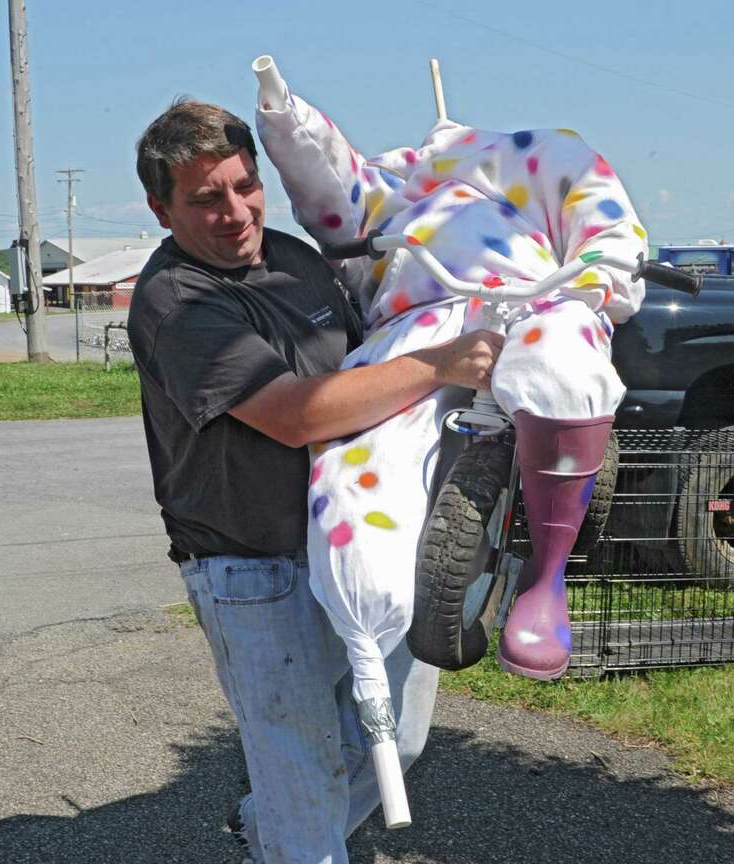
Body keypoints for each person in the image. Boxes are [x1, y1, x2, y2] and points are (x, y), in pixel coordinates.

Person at [128, 98, 502, 863]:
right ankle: (290, 833)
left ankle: (269, 826)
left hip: (365, 537)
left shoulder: (296, 259)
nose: (234, 212)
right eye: (204, 198)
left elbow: (375, 351)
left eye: (244, 186)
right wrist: (442, 362)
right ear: (159, 208)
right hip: (254, 570)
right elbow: (296, 416)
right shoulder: (177, 301)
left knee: (396, 739)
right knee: (301, 779)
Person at [254, 72, 647, 681]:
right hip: (427, 321)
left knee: (564, 364)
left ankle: (548, 579)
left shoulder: (544, 163)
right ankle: (366, 603)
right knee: (369, 458)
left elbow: (602, 216)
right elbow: (337, 188)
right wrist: (284, 115)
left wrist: (601, 272)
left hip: (539, 298)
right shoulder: (401, 186)